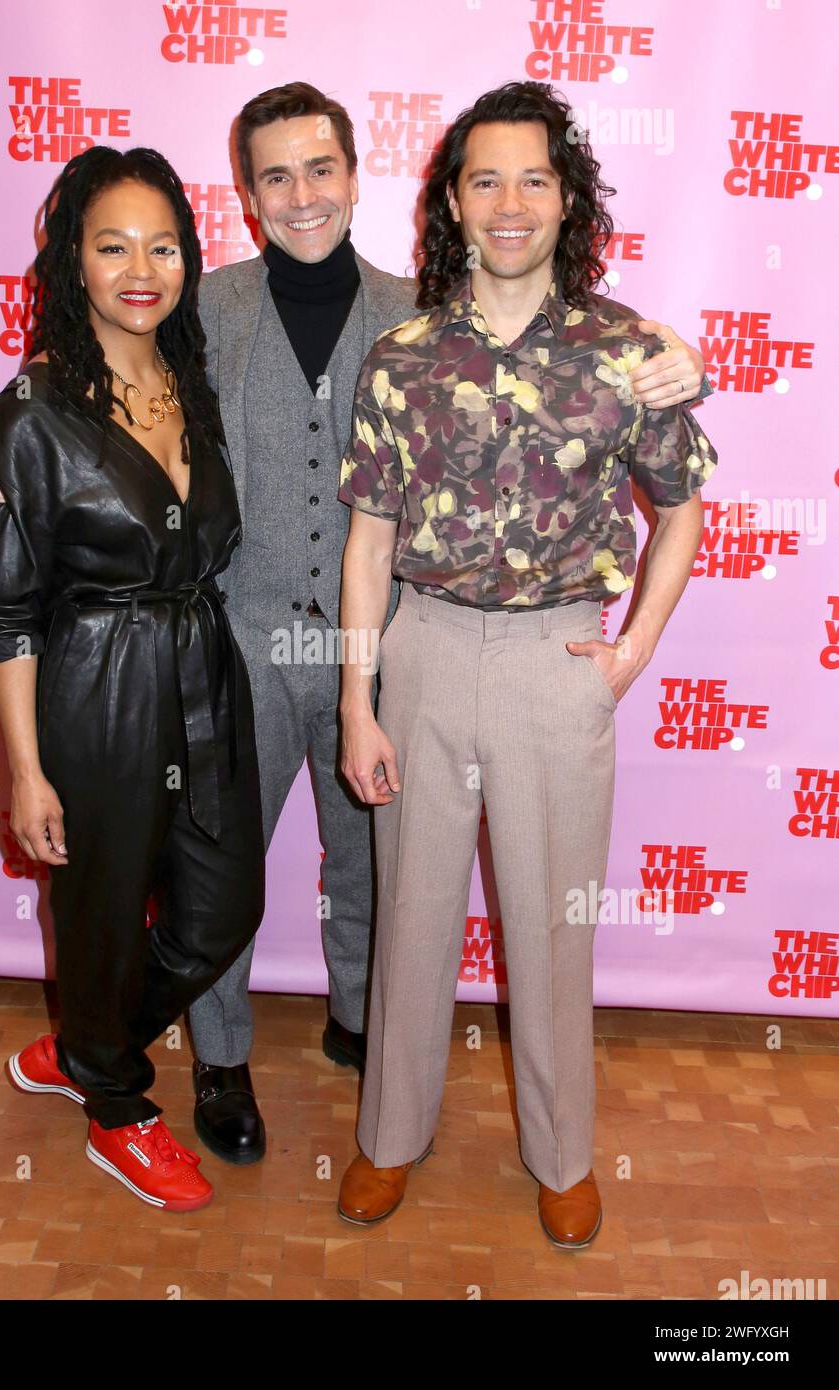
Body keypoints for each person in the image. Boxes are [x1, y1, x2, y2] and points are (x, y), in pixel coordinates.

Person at [0, 82, 709, 1168]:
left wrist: (680, 351)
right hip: (240, 645)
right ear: (248, 193)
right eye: (275, 175)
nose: (301, 194)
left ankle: (362, 1024)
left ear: (358, 178)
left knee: (376, 862)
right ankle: (217, 1059)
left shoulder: (418, 312)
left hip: (386, 641)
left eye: (321, 169)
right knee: (218, 873)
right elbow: (81, 387)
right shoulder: (201, 303)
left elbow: (566, 341)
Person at [334, 81, 718, 1246]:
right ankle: (387, 1139)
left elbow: (685, 504)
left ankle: (561, 1153)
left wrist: (631, 653)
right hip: (430, 651)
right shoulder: (401, 356)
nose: (510, 203)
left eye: (534, 179)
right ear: (454, 199)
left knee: (555, 923)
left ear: (568, 197)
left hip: (561, 660)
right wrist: (357, 697)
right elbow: (368, 540)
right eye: (485, 179)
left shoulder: (629, 354)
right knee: (413, 920)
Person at [0, 146, 265, 1211]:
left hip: (202, 672)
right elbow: (2, 614)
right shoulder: (29, 415)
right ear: (72, 261)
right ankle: (118, 1107)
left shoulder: (194, 379)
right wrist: (25, 775)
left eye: (165, 245)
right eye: (113, 245)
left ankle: (87, 1039)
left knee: (225, 910)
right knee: (96, 910)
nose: (143, 268)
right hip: (95, 689)